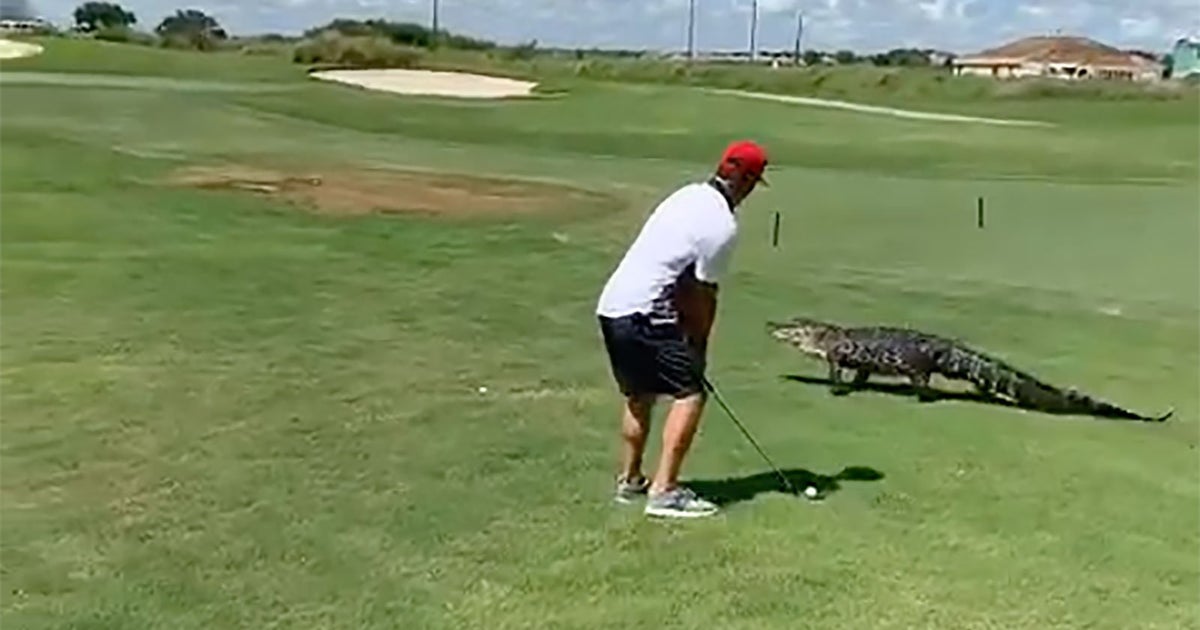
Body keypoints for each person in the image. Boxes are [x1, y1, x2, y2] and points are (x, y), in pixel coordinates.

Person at [594, 140, 769, 518]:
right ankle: (664, 491)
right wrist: (699, 347)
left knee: (639, 396)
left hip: (612, 306)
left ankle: (630, 480)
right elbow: (700, 295)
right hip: (647, 312)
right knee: (690, 393)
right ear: (750, 182)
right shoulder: (722, 225)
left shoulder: (686, 195)